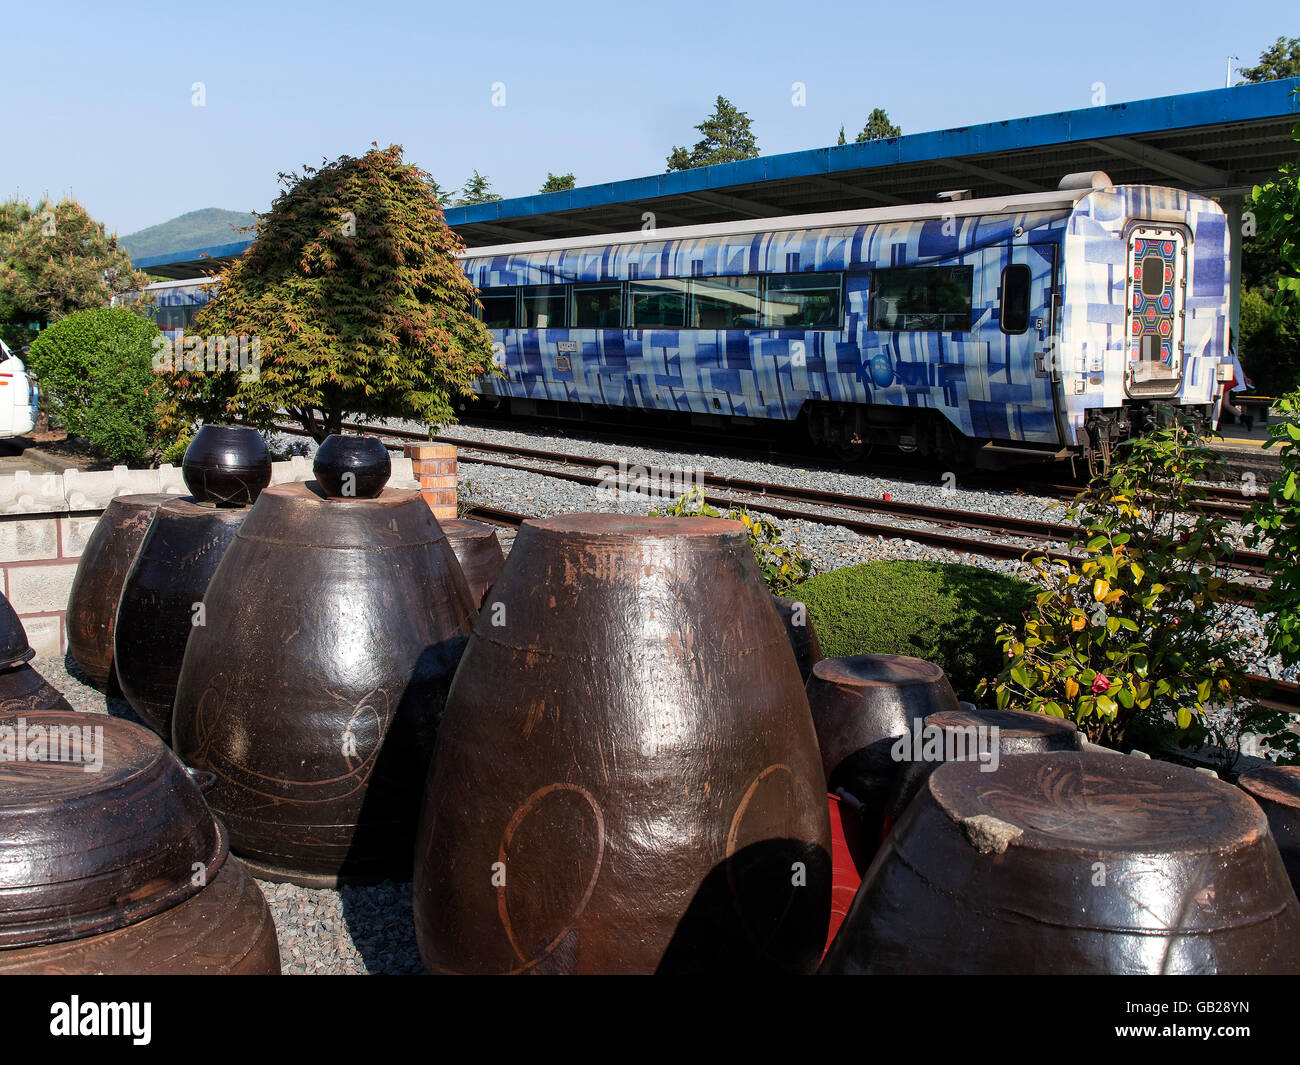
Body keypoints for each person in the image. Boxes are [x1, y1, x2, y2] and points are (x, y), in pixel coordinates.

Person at [1220, 331, 1255, 431]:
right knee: (1225, 403)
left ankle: (1215, 422)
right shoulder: (1231, 350)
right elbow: (1237, 365)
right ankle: (1245, 418)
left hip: (1220, 376)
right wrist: (1244, 377)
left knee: (1219, 401)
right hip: (1228, 376)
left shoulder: (1221, 349)